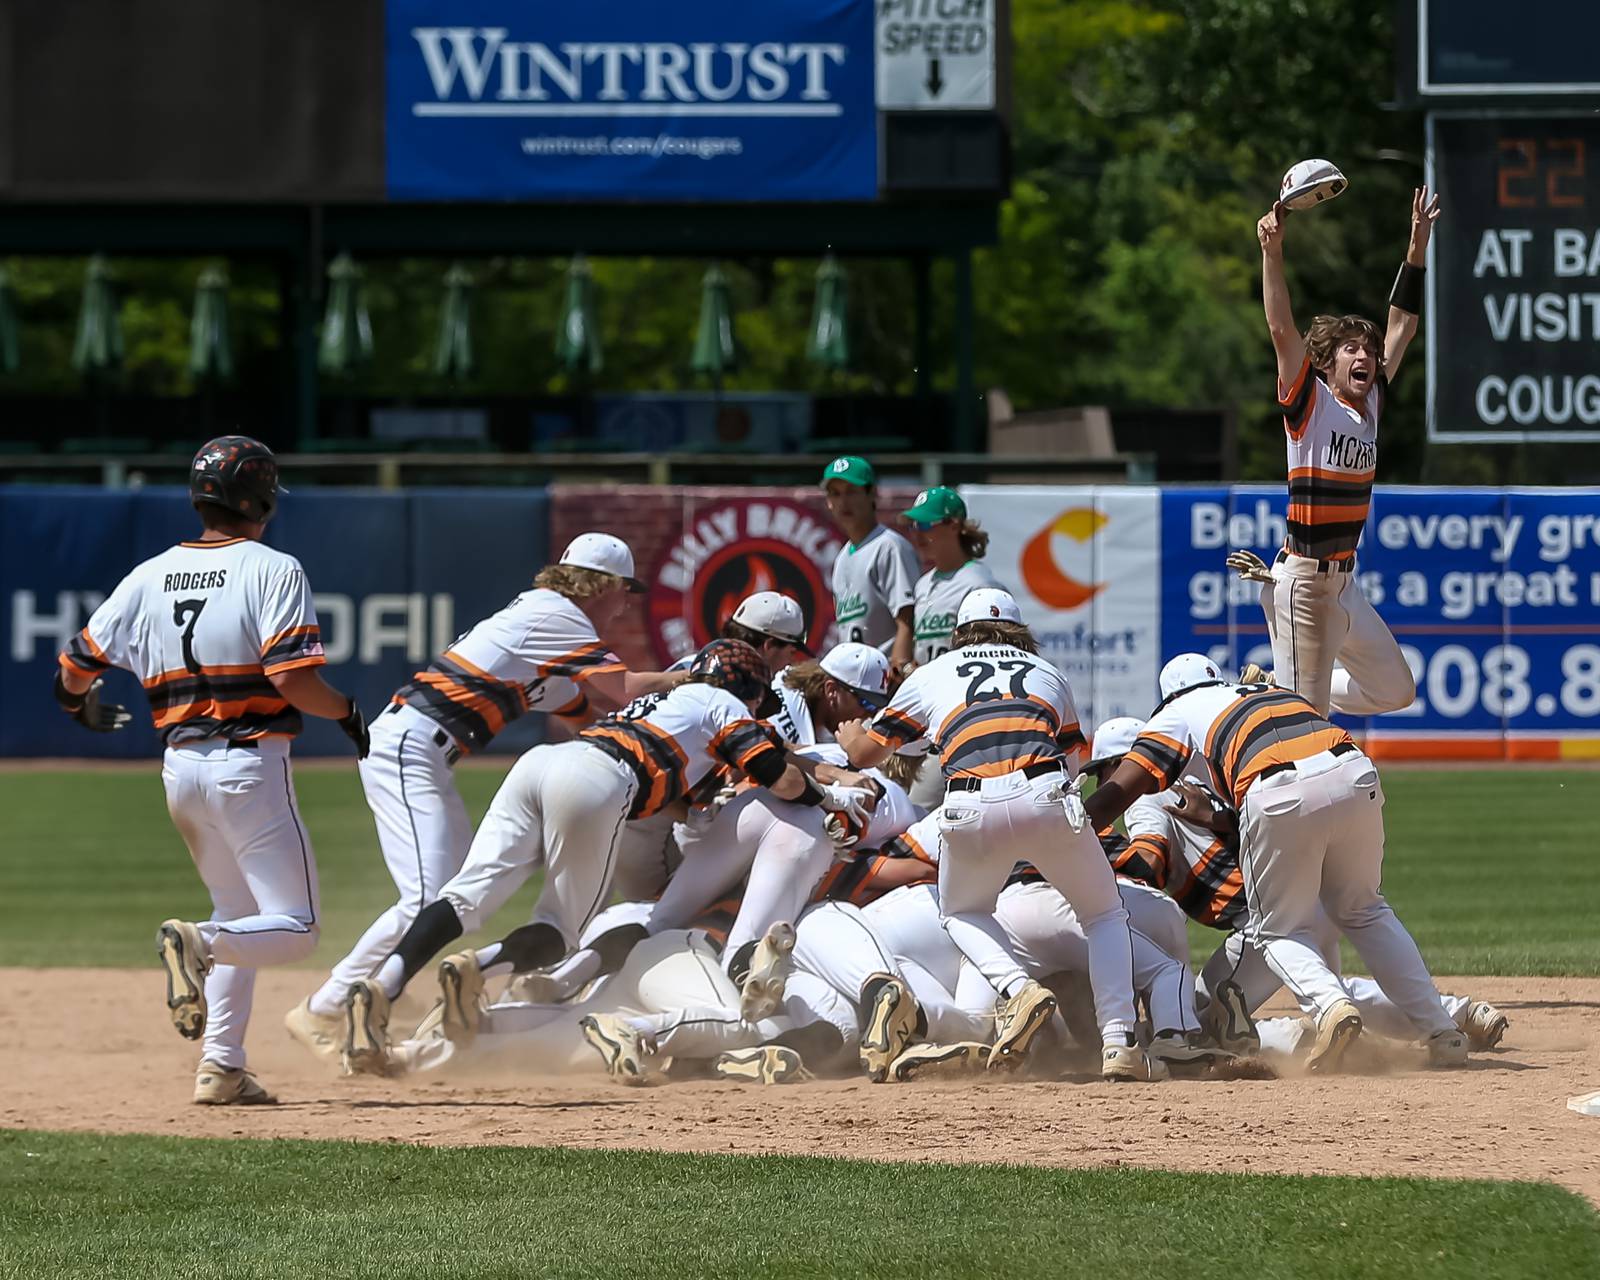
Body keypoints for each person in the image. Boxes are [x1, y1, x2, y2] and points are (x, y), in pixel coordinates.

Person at [339, 638, 875, 1074]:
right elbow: (777, 776)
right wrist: (827, 796)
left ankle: (381, 984)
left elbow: (687, 796)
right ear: (749, 691)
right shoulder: (727, 705)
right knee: (560, 930)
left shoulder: (673, 700)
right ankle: (476, 966)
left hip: (545, 761)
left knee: (464, 894)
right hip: (599, 781)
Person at [285, 532, 683, 1065]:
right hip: (410, 747)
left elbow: (584, 714)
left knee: (451, 897)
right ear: (600, 585)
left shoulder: (547, 627)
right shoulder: (557, 616)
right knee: (429, 897)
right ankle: (328, 1006)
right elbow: (626, 688)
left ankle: (359, 998)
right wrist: (693, 678)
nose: (626, 603)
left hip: (423, 750)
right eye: (625, 591)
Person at [54, 436, 368, 1106]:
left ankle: (221, 1066)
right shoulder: (272, 567)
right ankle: (197, 943)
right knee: (295, 929)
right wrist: (345, 712)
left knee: (240, 911)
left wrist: (80, 708)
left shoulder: (148, 574)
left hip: (180, 772)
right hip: (248, 764)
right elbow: (293, 679)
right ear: (259, 498)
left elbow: (73, 669)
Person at [1082, 672, 1471, 1073]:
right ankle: (1444, 1029)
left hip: (1276, 790)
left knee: (1277, 932)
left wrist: (1071, 825)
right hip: (1353, 769)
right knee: (1365, 910)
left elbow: (1125, 791)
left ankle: (1330, 1009)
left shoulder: (1174, 714)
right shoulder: (1262, 692)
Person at [839, 587, 1145, 1081]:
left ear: (959, 635)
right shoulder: (1047, 672)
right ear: (1020, 632)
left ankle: (1019, 990)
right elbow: (1074, 760)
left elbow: (865, 756)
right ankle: (1119, 1043)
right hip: (1046, 791)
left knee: (960, 912)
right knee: (1105, 914)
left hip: (967, 802)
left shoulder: (935, 672)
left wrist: (850, 734)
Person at [1236, 187, 1441, 716]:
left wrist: (1415, 251)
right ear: (1326, 362)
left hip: (1344, 584)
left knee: (1396, 691)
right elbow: (1281, 327)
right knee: (1308, 731)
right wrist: (1272, 252)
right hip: (1304, 582)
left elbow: (1403, 324)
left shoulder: (1370, 403)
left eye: (1370, 351)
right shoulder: (1311, 404)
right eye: (1352, 348)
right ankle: (1285, 698)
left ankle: (1274, 691)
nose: (1367, 356)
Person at [820, 455, 919, 667]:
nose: (843, 502)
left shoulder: (889, 547)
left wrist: (898, 670)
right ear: (828, 502)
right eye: (835, 494)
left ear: (872, 493)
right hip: (854, 680)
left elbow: (908, 618)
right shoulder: (842, 557)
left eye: (851, 492)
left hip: (885, 676)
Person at [900, 486, 1002, 675]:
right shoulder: (922, 585)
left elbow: (994, 655)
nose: (918, 533)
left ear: (954, 525)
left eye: (926, 524)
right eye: (914, 525)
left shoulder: (980, 585)